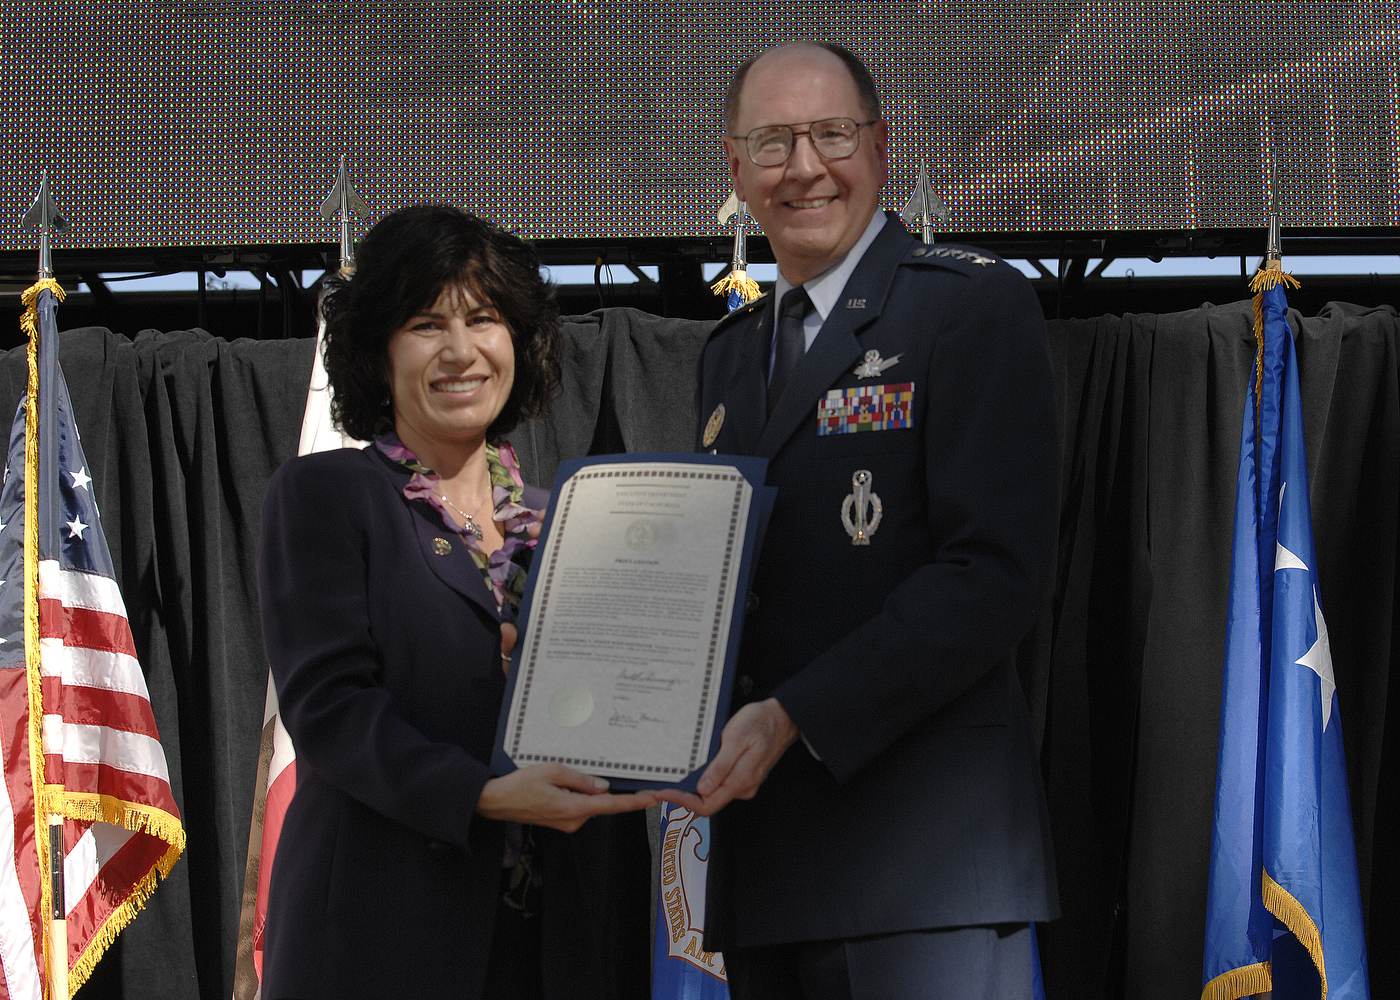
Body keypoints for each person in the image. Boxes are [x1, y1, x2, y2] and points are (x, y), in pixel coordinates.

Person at [659, 42, 1060, 999]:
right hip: (767, 868)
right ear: (735, 169)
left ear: (880, 147)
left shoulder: (969, 309)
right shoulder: (729, 355)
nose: (804, 167)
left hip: (921, 872)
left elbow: (994, 577)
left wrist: (797, 714)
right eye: (772, 143)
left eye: (831, 134)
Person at [256, 204, 655, 1000]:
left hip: (562, 941)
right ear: (378, 350)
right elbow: (330, 708)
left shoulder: (577, 521)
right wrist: (477, 793)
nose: (462, 351)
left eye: (484, 318)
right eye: (426, 324)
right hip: (386, 934)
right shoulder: (327, 495)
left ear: (520, 339)